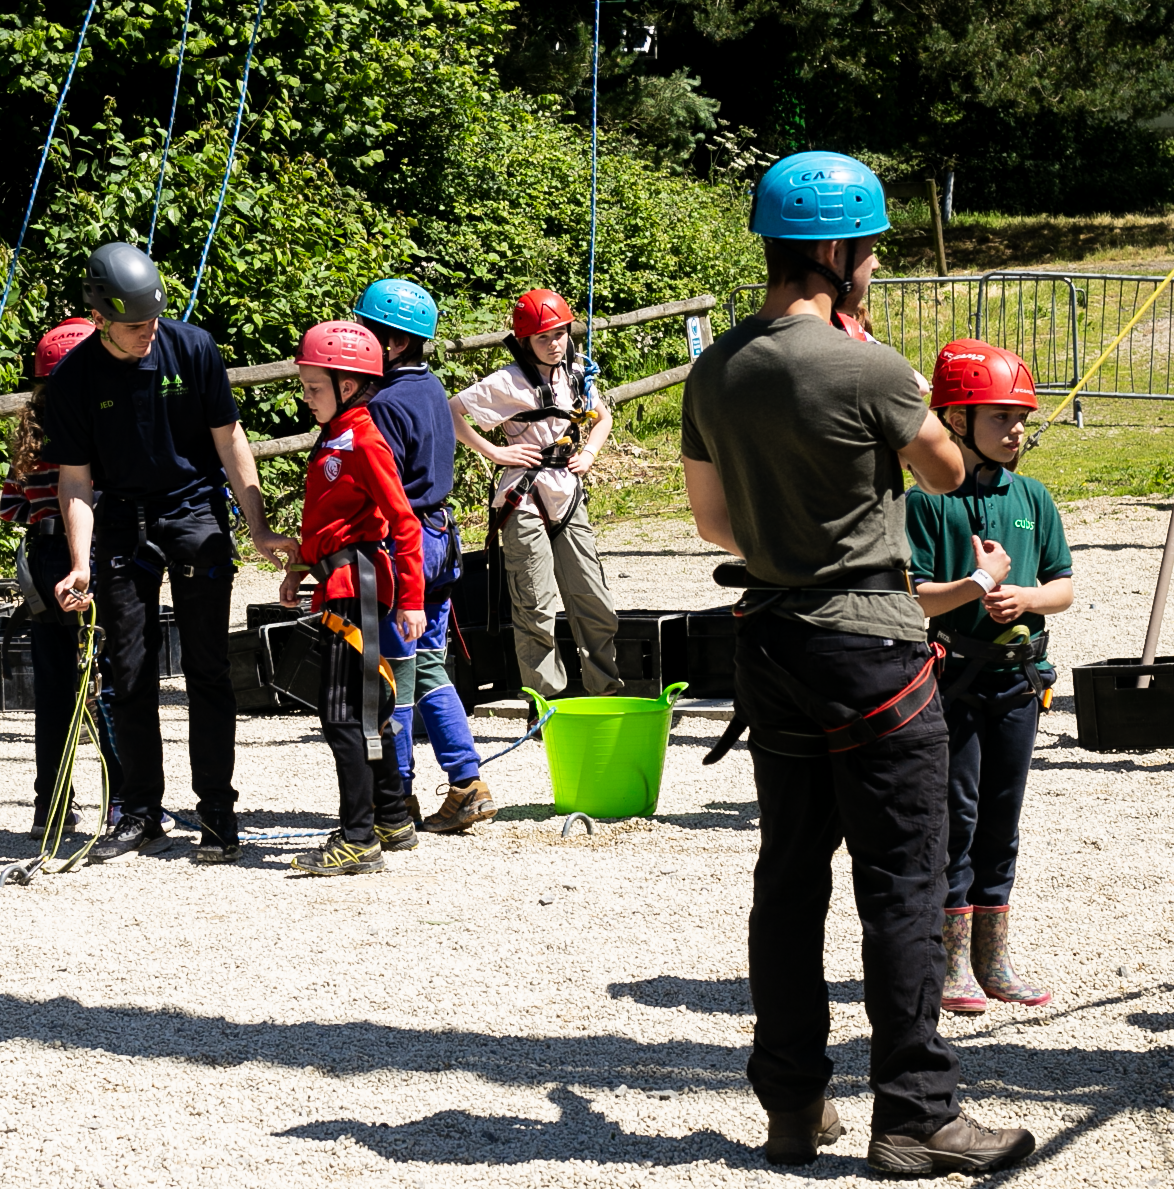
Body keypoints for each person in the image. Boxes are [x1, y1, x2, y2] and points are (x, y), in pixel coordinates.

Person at [681, 151, 1035, 1175]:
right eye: (870, 247)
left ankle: (791, 1104)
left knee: (787, 879)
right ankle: (914, 1114)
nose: (873, 263)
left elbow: (713, 521)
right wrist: (894, 388)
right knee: (901, 882)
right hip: (870, 648)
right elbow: (946, 468)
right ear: (835, 253)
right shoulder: (868, 367)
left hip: (769, 640)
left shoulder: (715, 367)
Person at [42, 241, 301, 865]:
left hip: (194, 512)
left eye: (153, 320)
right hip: (124, 522)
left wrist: (258, 526)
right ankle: (140, 812)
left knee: (209, 670)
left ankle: (216, 810)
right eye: (134, 326)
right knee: (128, 672)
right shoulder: (75, 378)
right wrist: (79, 561)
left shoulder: (193, 348)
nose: (147, 335)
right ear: (100, 316)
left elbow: (229, 438)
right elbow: (75, 480)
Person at [907, 342, 1075, 1014]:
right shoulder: (926, 505)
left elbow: (1062, 586)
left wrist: (1025, 599)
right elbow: (915, 597)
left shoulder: (1033, 497)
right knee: (957, 813)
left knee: (1003, 816)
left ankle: (992, 959)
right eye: (1000, 415)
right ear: (953, 419)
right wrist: (977, 585)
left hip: (1018, 681)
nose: (1016, 429)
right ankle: (948, 964)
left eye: (1021, 417)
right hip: (952, 680)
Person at [279, 320, 427, 874]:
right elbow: (328, 518)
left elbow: (404, 523)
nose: (305, 397)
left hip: (359, 588)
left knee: (345, 712)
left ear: (347, 384)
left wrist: (411, 600)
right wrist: (300, 567)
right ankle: (391, 816)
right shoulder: (336, 432)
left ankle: (357, 837)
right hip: (337, 580)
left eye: (314, 387)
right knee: (373, 704)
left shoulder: (363, 437)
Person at [351, 277, 492, 832]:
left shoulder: (383, 404)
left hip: (403, 543)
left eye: (367, 330)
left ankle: (399, 793)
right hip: (438, 538)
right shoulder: (431, 388)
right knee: (428, 664)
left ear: (396, 343)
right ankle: (467, 780)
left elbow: (378, 488)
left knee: (394, 672)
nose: (359, 338)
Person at [450, 288, 623, 697]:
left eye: (560, 334)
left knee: (594, 602)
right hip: (523, 499)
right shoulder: (508, 381)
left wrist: (591, 452)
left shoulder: (577, 373)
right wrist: (493, 450)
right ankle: (547, 704)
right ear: (525, 341)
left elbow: (603, 417)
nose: (554, 344)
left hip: (568, 494)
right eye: (543, 337)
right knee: (536, 607)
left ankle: (606, 691)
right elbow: (449, 410)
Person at [1, 317, 124, 833]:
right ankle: (122, 800)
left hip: (42, 564)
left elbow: (12, 509)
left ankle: (50, 806)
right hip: (90, 559)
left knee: (53, 692)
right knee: (109, 683)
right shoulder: (96, 431)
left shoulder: (30, 437)